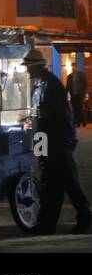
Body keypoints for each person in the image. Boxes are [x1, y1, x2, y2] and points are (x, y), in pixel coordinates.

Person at [23, 48, 91, 234]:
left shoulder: (52, 84)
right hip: (44, 138)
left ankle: (83, 216)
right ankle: (48, 223)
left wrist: (37, 119)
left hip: (57, 140)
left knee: (66, 181)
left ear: (36, 66)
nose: (27, 71)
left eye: (28, 67)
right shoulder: (39, 85)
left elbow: (57, 115)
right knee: (51, 181)